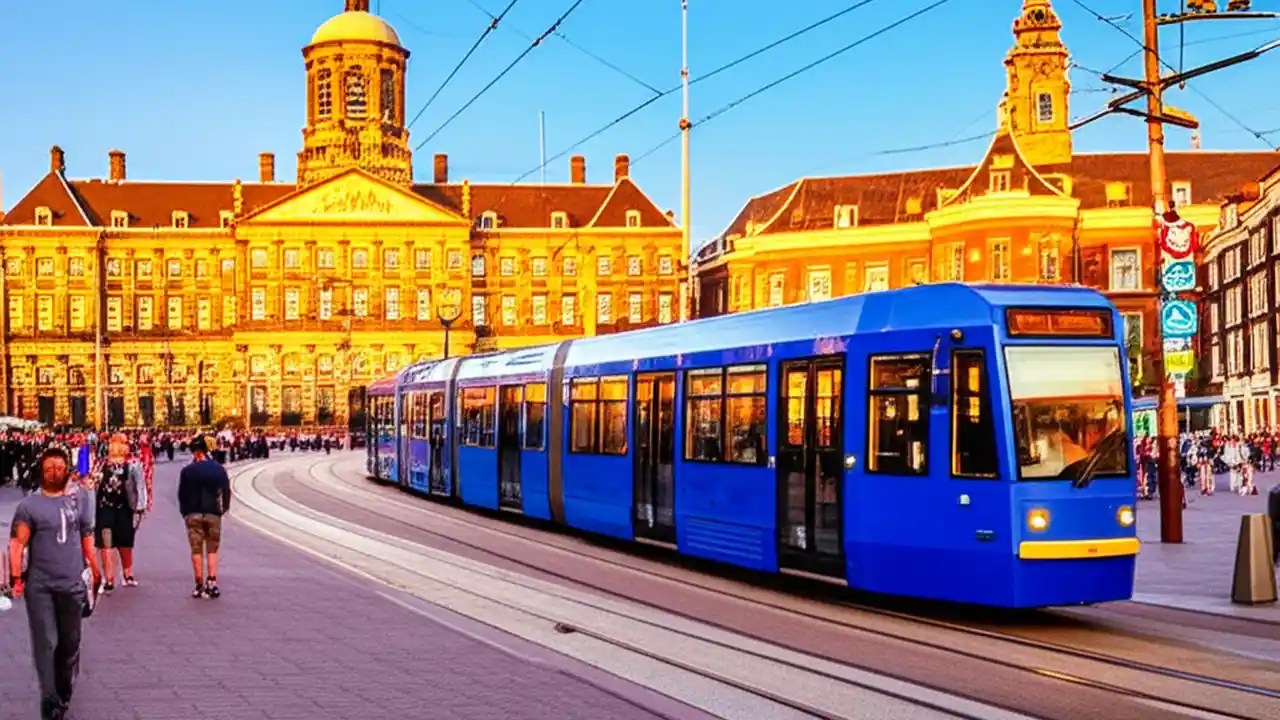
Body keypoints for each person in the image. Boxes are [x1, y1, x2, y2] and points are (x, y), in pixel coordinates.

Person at [8, 446, 103, 720]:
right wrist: (16, 577)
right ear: (41, 471)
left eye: (59, 468)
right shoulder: (29, 506)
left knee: (70, 644)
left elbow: (86, 536)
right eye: (49, 468)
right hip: (41, 587)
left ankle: (63, 690)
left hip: (72, 584)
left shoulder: (78, 500)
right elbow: (17, 543)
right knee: (46, 642)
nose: (54, 472)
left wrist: (95, 569)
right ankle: (49, 699)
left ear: (67, 471)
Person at [177, 435, 231, 599]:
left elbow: (181, 494)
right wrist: (224, 508)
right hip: (213, 511)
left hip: (193, 512)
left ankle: (199, 584)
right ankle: (212, 582)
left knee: (196, 550)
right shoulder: (218, 469)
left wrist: (185, 512)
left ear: (195, 453)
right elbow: (226, 490)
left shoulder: (187, 471)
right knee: (212, 549)